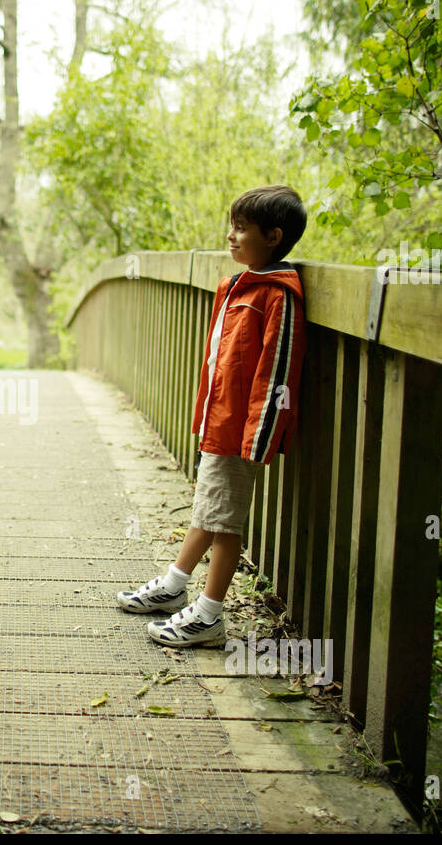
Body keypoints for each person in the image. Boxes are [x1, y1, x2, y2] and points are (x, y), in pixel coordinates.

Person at [117, 185, 308, 647]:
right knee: (209, 508)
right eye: (232, 226)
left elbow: (277, 368)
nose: (230, 236)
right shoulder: (238, 286)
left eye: (241, 229)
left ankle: (209, 615)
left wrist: (259, 435)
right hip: (219, 421)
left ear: (274, 236)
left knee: (225, 521)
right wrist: (204, 415)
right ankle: (174, 586)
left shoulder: (277, 296)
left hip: (242, 430)